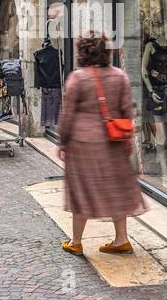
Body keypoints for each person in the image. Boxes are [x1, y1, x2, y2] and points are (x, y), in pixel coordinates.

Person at [56, 32, 145, 256]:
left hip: (83, 145)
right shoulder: (120, 76)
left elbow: (67, 115)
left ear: (82, 52)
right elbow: (127, 111)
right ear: (106, 51)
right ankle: (121, 239)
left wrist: (63, 142)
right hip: (113, 143)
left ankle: (76, 241)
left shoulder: (77, 78)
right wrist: (128, 141)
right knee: (116, 189)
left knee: (81, 191)